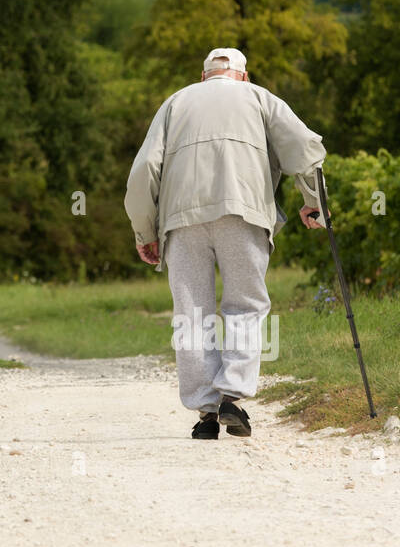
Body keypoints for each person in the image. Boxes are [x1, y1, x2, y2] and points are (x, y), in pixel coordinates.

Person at [124, 48, 327, 440]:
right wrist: (314, 204)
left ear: (204, 78)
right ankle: (232, 396)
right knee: (245, 304)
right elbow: (304, 148)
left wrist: (144, 231)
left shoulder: (176, 101)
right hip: (243, 212)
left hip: (182, 222)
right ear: (244, 76)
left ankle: (205, 413)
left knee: (191, 313)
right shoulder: (260, 97)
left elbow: (144, 169)